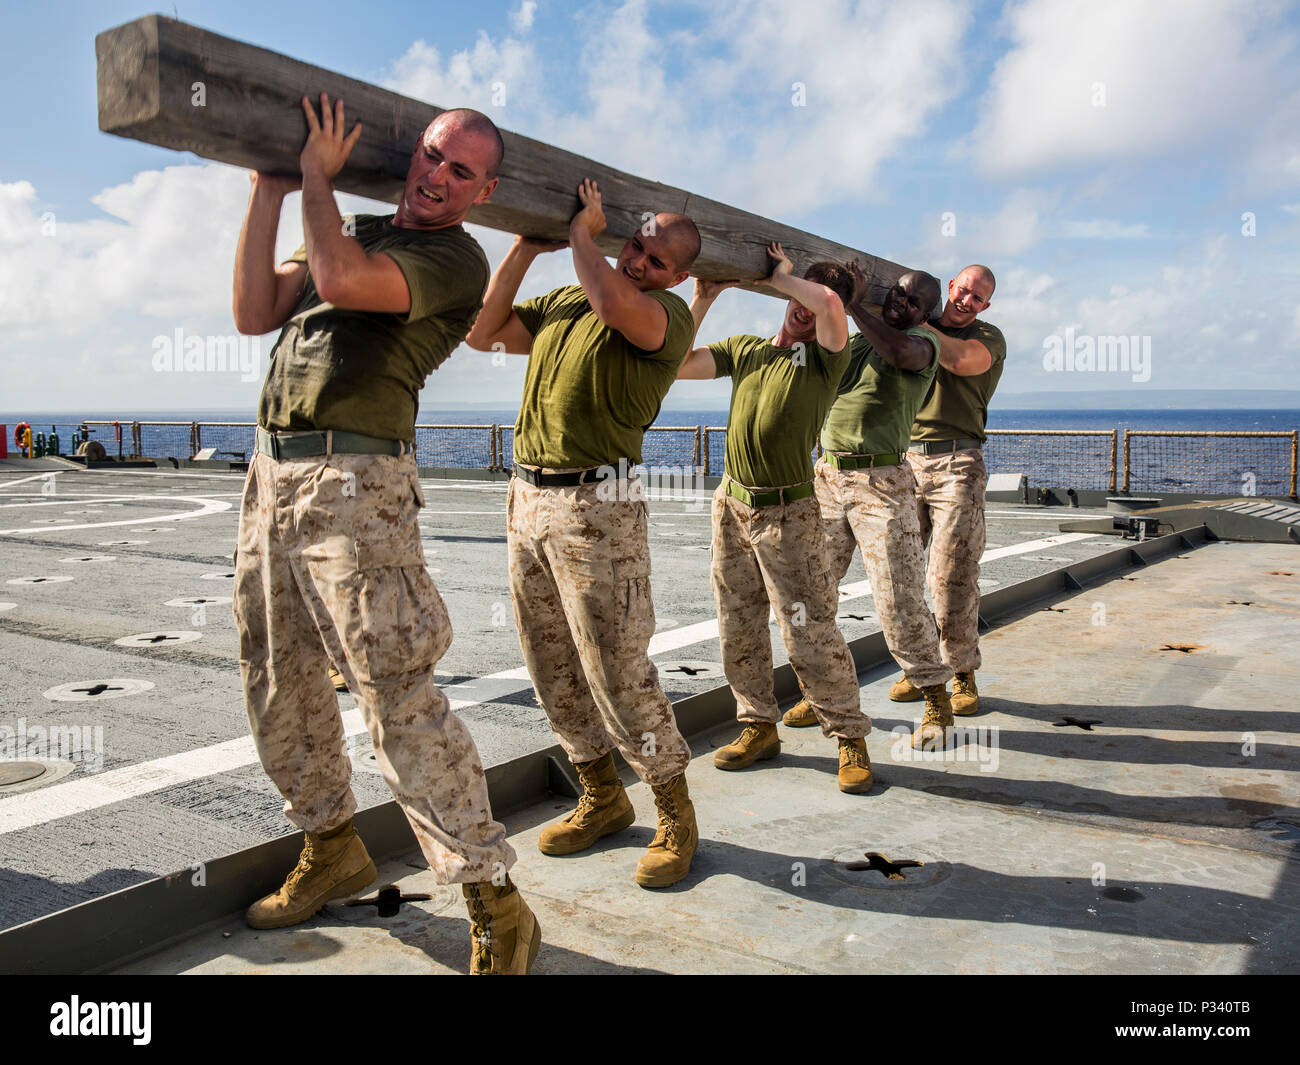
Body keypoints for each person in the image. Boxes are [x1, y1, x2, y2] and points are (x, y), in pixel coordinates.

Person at [231, 94, 538, 974]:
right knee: (278, 675)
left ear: (482, 192)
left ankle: (493, 900)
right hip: (272, 474)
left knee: (396, 693)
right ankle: (330, 844)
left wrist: (316, 178)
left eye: (460, 170)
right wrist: (269, 186)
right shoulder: (352, 226)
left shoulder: (454, 258)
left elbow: (338, 283)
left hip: (358, 485)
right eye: (434, 154)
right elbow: (258, 310)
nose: (437, 175)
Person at [465, 180, 703, 888]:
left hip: (601, 503)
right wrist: (520, 248)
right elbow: (483, 332)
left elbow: (610, 299)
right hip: (528, 495)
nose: (637, 261)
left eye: (655, 260)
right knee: (550, 661)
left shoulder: (664, 316)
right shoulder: (569, 297)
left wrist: (580, 233)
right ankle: (600, 794)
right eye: (633, 245)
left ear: (678, 279)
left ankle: (673, 809)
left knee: (618, 669)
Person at [679, 247, 873, 792]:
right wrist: (703, 297)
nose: (804, 308)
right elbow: (672, 363)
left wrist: (782, 278)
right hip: (732, 506)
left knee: (809, 628)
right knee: (737, 623)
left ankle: (849, 736)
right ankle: (758, 725)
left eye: (811, 298)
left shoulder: (829, 356)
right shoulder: (746, 351)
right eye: (799, 296)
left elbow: (831, 303)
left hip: (789, 511)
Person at [782, 264, 954, 749]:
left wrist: (856, 303)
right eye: (896, 295)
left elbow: (900, 352)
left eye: (912, 302)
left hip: (882, 484)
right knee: (811, 595)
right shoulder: (855, 342)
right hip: (828, 478)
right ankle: (822, 697)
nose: (901, 304)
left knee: (898, 600)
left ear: (928, 313)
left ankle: (935, 698)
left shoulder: (923, 343)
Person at [894, 265, 1004, 716]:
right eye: (963, 290)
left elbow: (959, 361)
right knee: (900, 572)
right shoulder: (922, 326)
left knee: (952, 574)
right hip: (904, 459)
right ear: (950, 287)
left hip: (958, 462)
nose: (967, 301)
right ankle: (918, 668)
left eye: (977, 298)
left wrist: (913, 322)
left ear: (985, 306)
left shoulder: (988, 336)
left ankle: (961, 672)